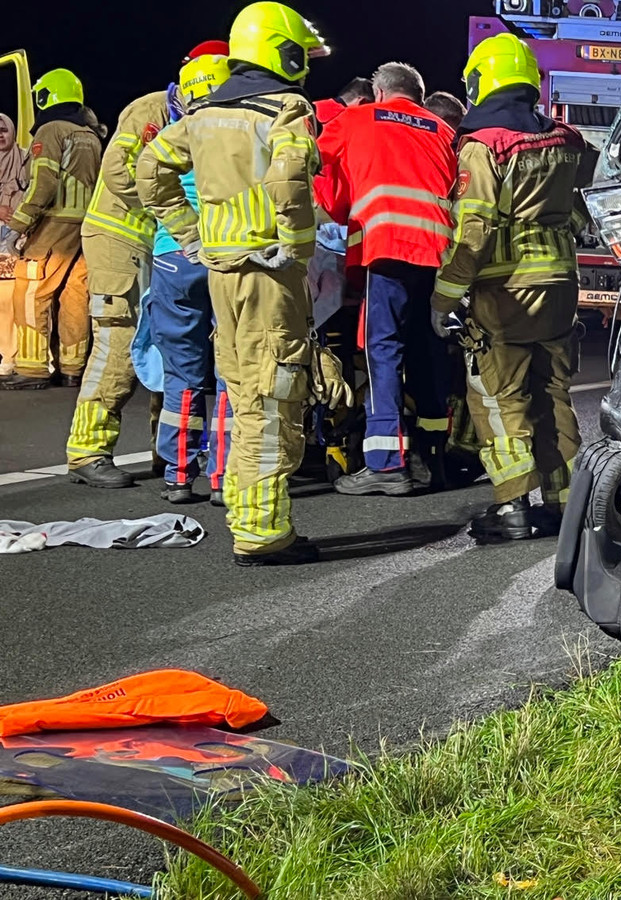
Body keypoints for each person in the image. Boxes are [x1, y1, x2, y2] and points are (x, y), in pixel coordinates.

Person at [140, 1, 337, 566]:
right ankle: (264, 534)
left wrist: (188, 234)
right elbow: (291, 179)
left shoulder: (204, 113)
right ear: (285, 51)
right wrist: (298, 251)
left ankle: (253, 523)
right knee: (274, 393)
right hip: (270, 273)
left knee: (246, 390)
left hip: (222, 271)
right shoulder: (287, 107)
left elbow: (150, 168)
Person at [432, 32, 597, 540]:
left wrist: (444, 297)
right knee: (553, 392)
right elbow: (585, 207)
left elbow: (474, 230)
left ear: (485, 80)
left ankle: (513, 508)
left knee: (498, 396)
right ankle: (566, 503)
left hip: (502, 293)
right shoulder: (568, 141)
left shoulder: (483, 147)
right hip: (560, 287)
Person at [65, 47, 214, 488]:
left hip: (159, 243)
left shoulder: (199, 116)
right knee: (120, 340)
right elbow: (118, 172)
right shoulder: (151, 109)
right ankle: (88, 450)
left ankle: (167, 455)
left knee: (166, 342)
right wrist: (172, 215)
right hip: (120, 237)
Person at [316, 61, 457, 496]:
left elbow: (320, 177)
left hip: (388, 244)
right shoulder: (442, 129)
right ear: (417, 94)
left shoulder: (356, 118)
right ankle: (434, 455)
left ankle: (384, 462)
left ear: (379, 92)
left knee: (383, 349)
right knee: (427, 352)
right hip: (438, 253)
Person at [139, 50, 234, 504]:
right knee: (232, 371)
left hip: (173, 258)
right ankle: (224, 475)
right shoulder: (239, 128)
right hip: (227, 254)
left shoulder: (177, 131)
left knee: (183, 374)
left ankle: (179, 476)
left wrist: (184, 234)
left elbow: (146, 178)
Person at [1, 69, 101, 390]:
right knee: (75, 295)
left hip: (54, 223)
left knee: (31, 291)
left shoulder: (51, 130)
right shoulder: (90, 135)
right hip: (85, 227)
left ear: (47, 96)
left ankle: (32, 369)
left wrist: (17, 228)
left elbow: (42, 184)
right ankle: (73, 368)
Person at [0, 113, 30, 378]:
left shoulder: (24, 157)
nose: (0, 135)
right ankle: (7, 354)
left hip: (21, 234)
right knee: (3, 301)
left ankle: (24, 355)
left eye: (3, 130)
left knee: (16, 297)